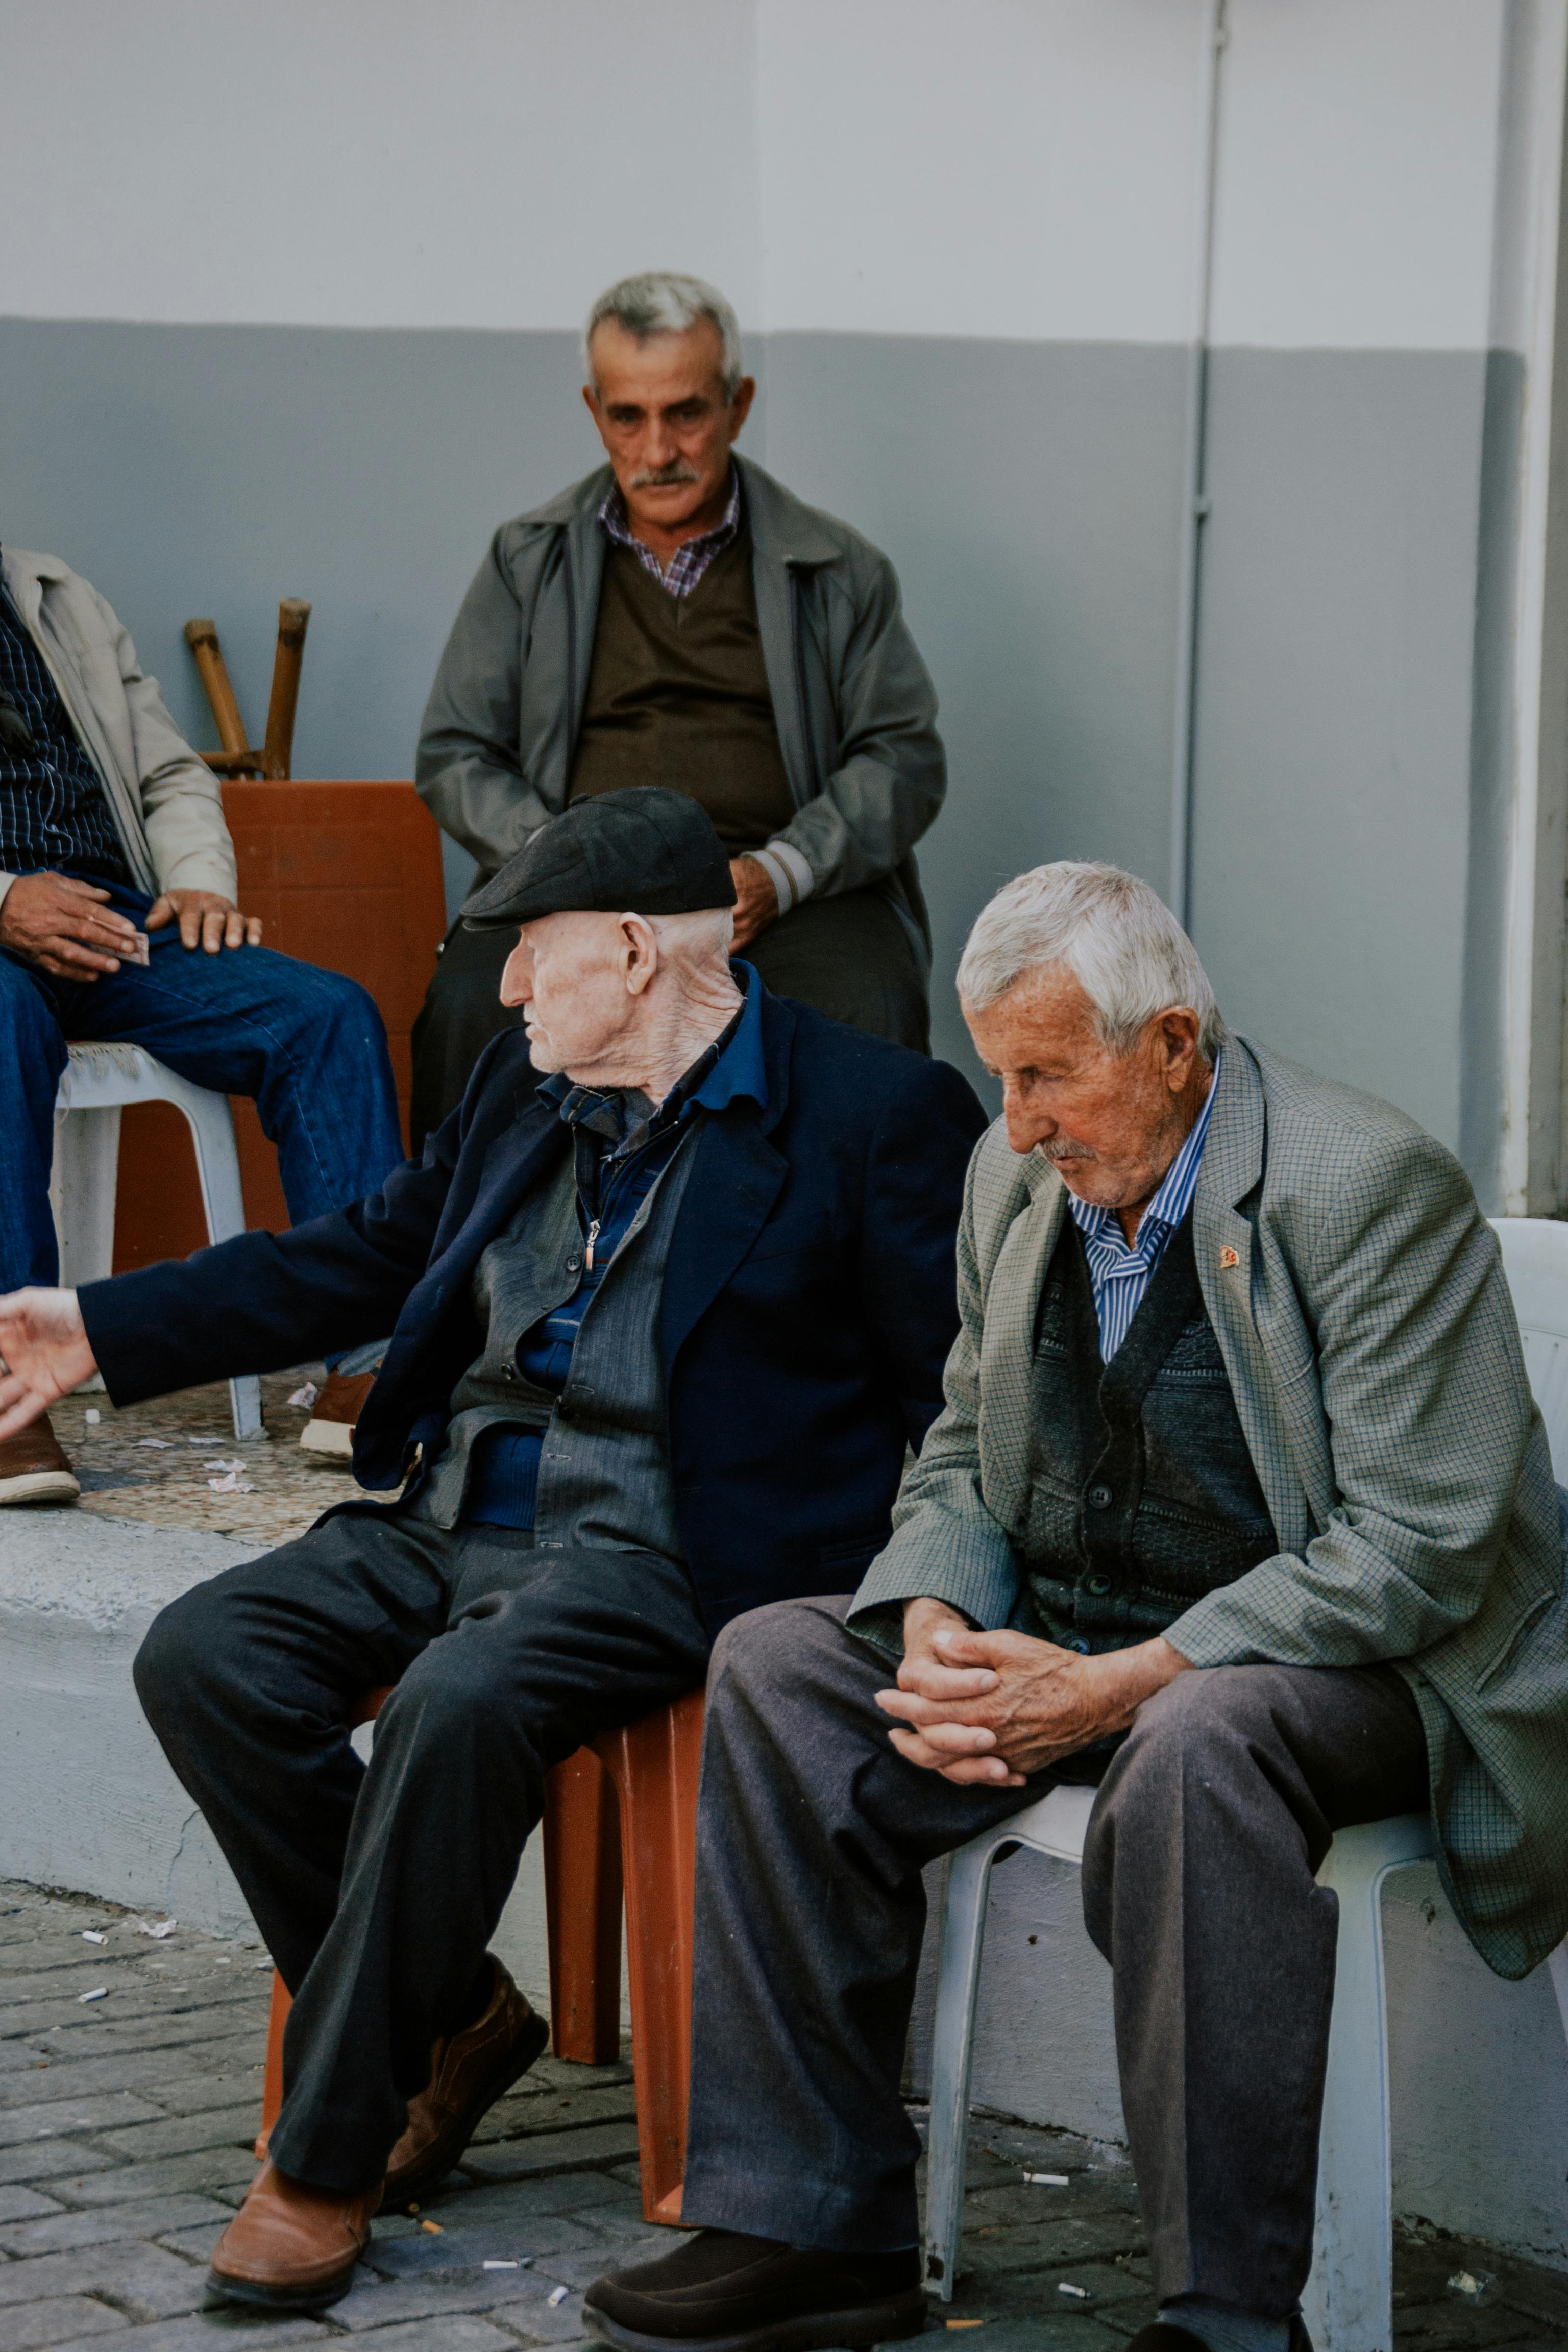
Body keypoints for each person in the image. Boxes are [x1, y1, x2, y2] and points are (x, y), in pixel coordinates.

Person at [0, 786, 986, 2313]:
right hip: (461, 1508)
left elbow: (951, 1395)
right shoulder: (528, 1091)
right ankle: (452, 2016)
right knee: (211, 1656)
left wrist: (919, 1593)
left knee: (461, 1704)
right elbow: (364, 1255)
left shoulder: (874, 1114)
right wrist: (98, 1328)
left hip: (672, 1549)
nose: (508, 984)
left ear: (641, 954)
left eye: (537, 948)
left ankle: (328, 2157)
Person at [583, 862, 1568, 2352]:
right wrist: (934, 1620)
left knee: (1198, 1748)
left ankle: (1229, 2313)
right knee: (784, 1666)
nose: (1021, 1120)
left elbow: (1426, 1544)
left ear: (1171, 1045)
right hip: (1080, 1637)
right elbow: (970, 1446)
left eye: (1047, 1075)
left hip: (1364, 1666)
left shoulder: (1362, 1184)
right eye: (1001, 1078)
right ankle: (812, 2227)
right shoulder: (1016, 1175)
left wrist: (1128, 1685)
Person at [411, 269, 947, 1143]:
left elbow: (903, 758)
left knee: (866, 1009)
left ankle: (831, 1276)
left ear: (738, 406)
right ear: (595, 412)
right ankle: (477, 1273)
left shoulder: (837, 568)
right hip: (577, 885)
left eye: (687, 413)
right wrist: (566, 865)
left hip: (777, 896)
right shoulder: (527, 560)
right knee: (474, 1003)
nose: (658, 448)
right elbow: (456, 753)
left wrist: (779, 875)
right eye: (629, 416)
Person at [0, 543, 404, 1504]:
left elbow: (172, 775)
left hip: (119, 916)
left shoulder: (55, 600)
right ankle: (10, 1392)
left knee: (326, 1014)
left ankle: (373, 1363)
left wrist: (194, 886)